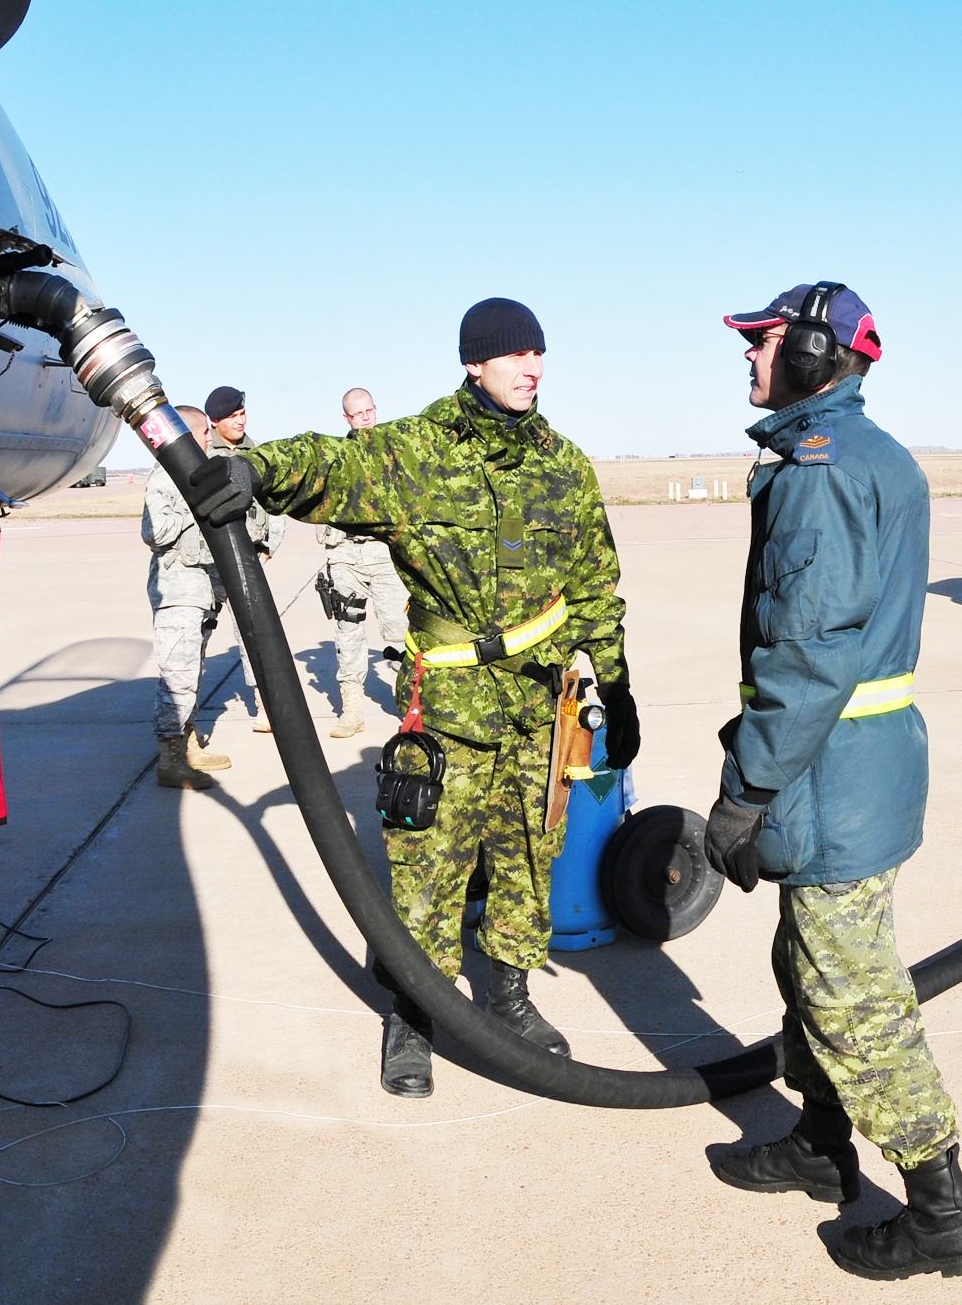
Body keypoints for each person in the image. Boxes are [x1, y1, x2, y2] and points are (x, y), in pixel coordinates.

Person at [187, 298, 642, 1099]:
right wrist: (253, 469)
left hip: (540, 708)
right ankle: (414, 1015)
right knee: (429, 868)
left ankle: (508, 995)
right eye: (514, 355)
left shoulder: (562, 463)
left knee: (528, 862)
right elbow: (329, 464)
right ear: (474, 363)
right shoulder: (417, 453)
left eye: (539, 353)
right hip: (454, 711)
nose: (531, 367)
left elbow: (596, 585)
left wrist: (618, 682)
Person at [702, 283, 962, 1281]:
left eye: (763, 342)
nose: (749, 359)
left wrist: (745, 791)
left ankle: (941, 1211)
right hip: (866, 770)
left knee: (854, 997)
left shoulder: (816, 472)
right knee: (807, 967)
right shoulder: (875, 454)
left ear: (816, 355)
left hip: (825, 777)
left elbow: (810, 651)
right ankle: (823, 1146)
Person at [142, 406, 278, 789]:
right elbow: (156, 533)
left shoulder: (194, 474)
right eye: (204, 434)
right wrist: (193, 502)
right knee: (178, 675)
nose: (208, 440)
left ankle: (188, 744)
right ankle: (171, 759)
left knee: (193, 670)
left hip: (201, 589)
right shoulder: (166, 479)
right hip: (177, 589)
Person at [318, 388, 412, 739]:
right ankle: (352, 710)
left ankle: (409, 706)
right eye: (358, 415)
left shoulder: (393, 454)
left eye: (370, 411)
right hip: (345, 556)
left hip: (384, 555)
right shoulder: (337, 457)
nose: (366, 418)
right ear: (347, 419)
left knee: (399, 635)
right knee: (348, 633)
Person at [203, 385, 285, 730]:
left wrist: (268, 546)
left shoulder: (257, 453)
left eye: (242, 414)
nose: (240, 421)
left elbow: (276, 504)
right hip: (208, 563)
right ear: (214, 422)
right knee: (197, 637)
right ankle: (185, 718)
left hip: (247, 557)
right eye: (233, 416)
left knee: (256, 635)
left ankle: (266, 707)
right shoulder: (203, 454)